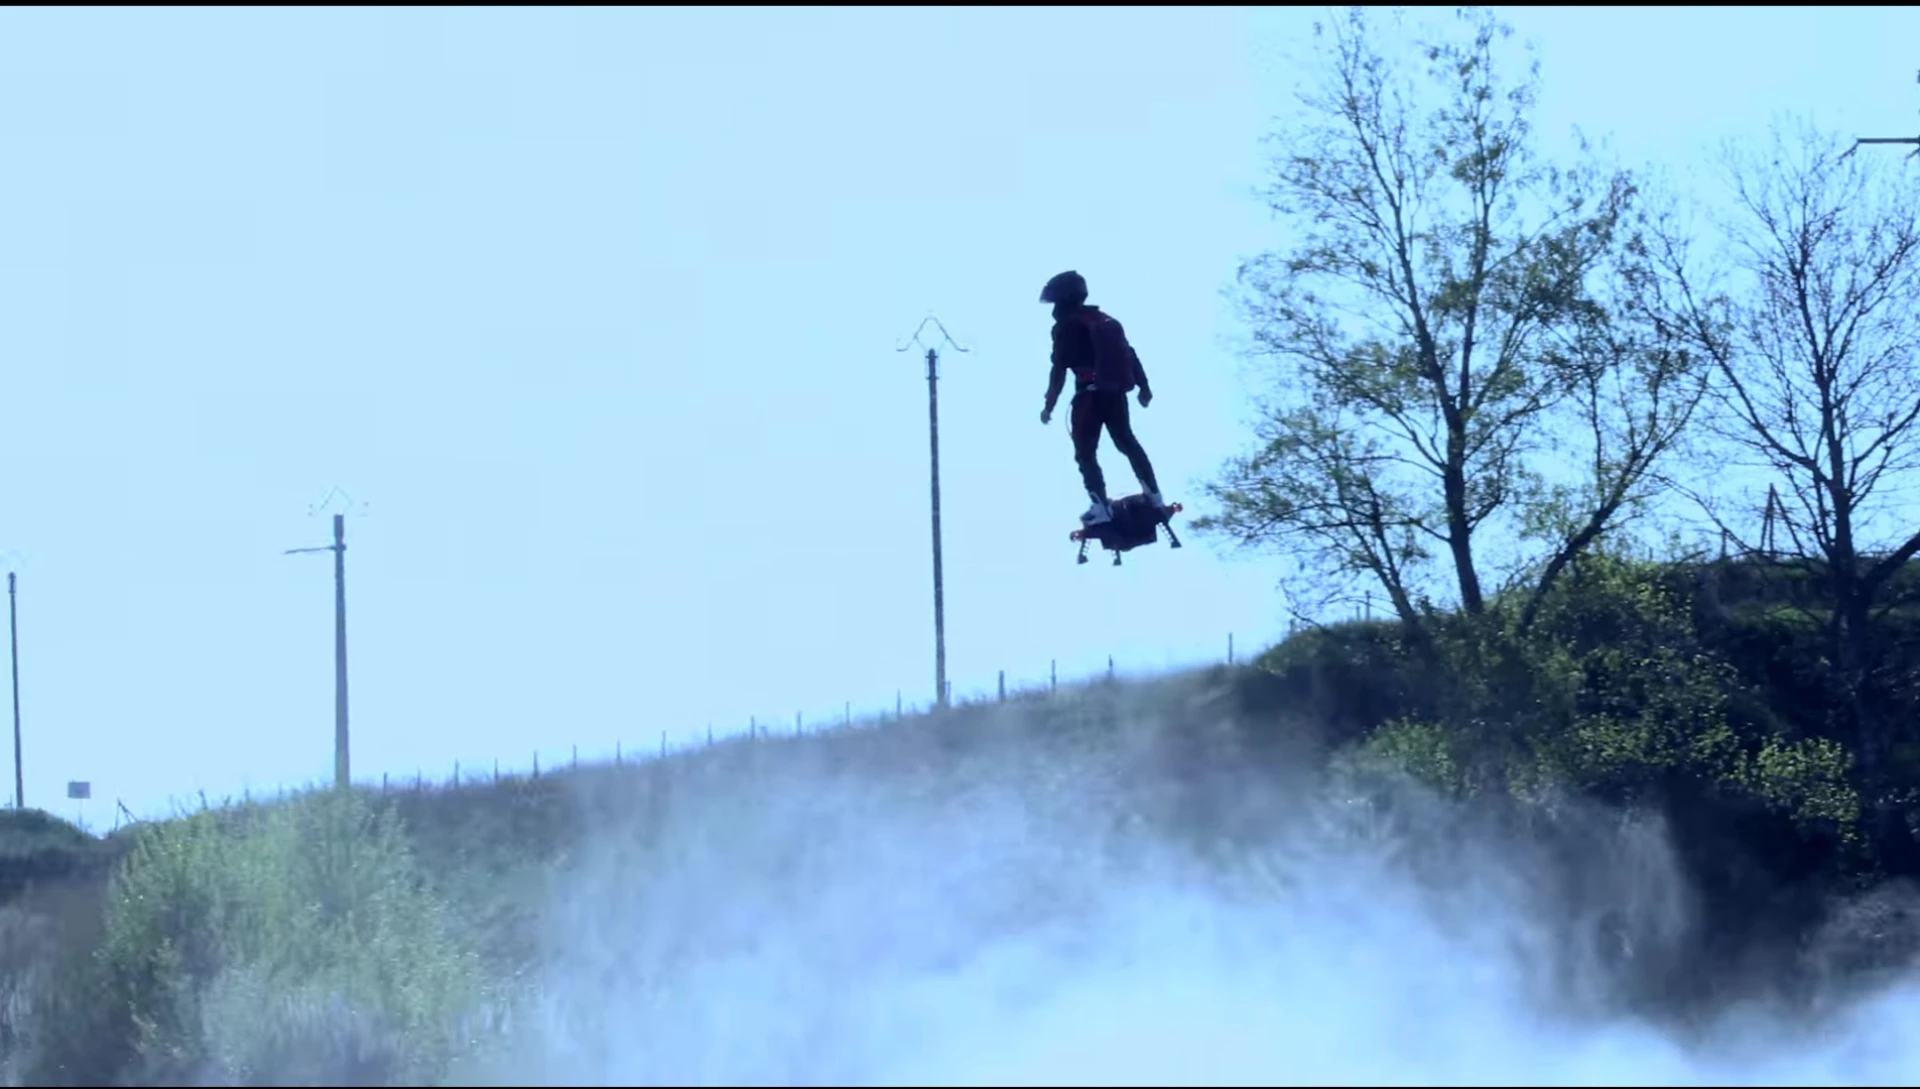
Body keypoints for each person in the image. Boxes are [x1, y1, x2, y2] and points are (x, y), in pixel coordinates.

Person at [1038, 269, 1164, 527]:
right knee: (1127, 442)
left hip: (1087, 397)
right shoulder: (1103, 318)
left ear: (1062, 300)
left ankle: (1101, 506)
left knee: (1085, 453)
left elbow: (1059, 369)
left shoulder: (1065, 326)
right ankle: (1155, 495)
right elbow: (1130, 353)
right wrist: (1144, 387)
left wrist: (1049, 405)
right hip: (1115, 392)